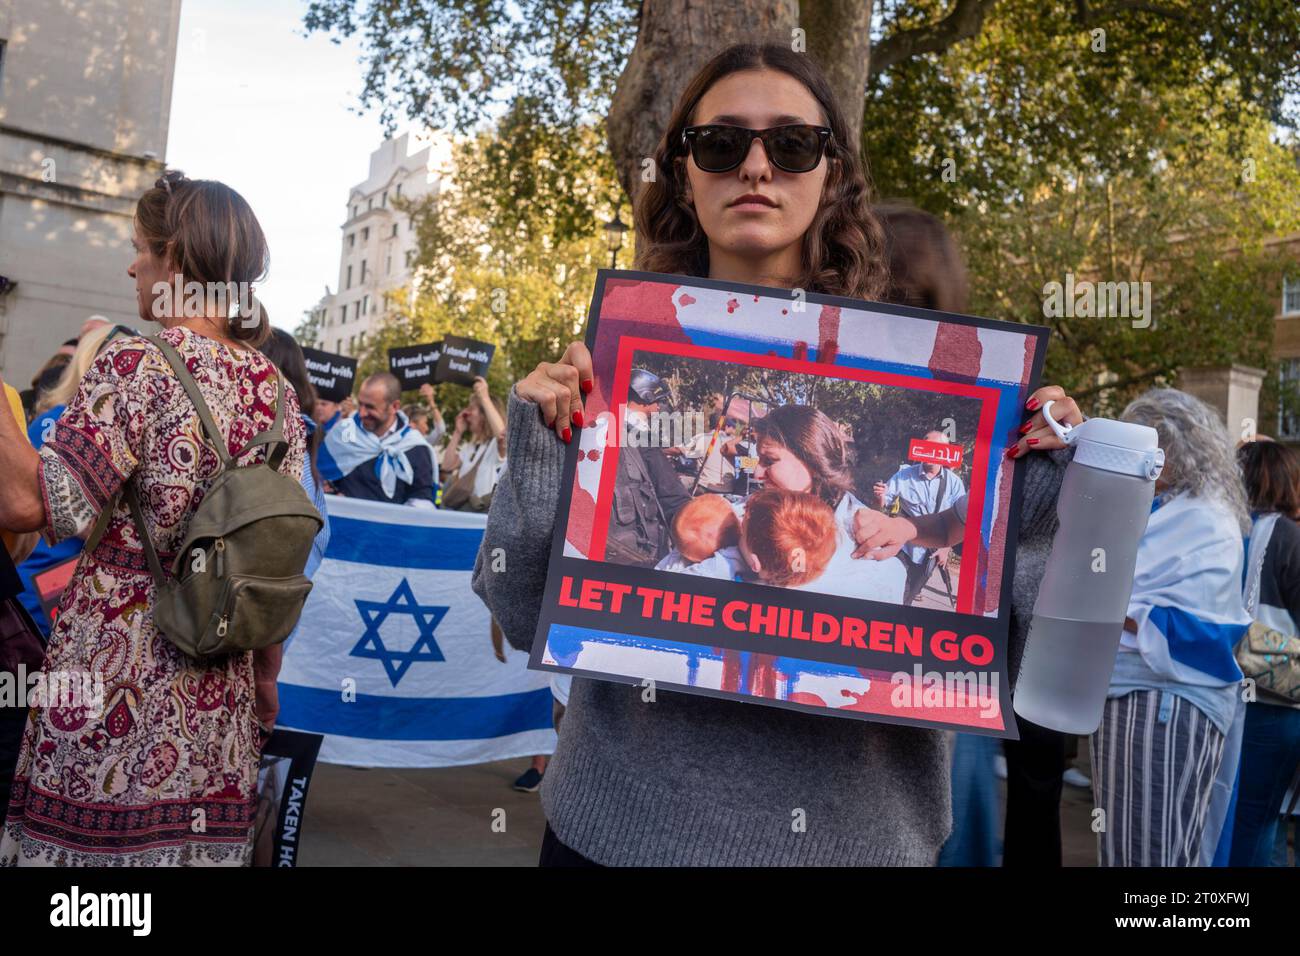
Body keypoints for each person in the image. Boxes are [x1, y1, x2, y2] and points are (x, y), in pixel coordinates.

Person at [472, 42, 1083, 866]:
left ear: (832, 171)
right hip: (616, 833)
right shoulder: (617, 364)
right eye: (720, 144)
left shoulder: (938, 378)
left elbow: (1024, 650)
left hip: (853, 841)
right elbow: (518, 607)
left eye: (792, 145)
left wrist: (1046, 476)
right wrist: (543, 436)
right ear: (682, 170)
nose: (755, 166)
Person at [0, 170, 306, 866]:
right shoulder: (276, 391)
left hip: (116, 678)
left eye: (141, 246)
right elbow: (272, 558)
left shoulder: (137, 364)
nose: (131, 263)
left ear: (174, 258)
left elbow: (34, 506)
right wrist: (264, 683)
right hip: (220, 686)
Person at [1089, 389, 1252, 867]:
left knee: (1146, 853)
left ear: (1169, 450)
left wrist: (1112, 601)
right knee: (1148, 850)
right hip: (1144, 700)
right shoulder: (1178, 509)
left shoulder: (1202, 519)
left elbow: (1204, 631)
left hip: (1159, 703)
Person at [14, 324, 115, 636]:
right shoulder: (69, 421)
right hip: (47, 590)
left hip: (48, 589)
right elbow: (79, 517)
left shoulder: (57, 418)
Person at [1230, 440, 1300, 866]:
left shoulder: (1225, 529)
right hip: (1280, 703)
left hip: (1236, 695)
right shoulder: (1289, 537)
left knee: (1243, 818)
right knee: (1260, 821)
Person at [602, 369, 690, 565]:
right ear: (644, 398)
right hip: (639, 557)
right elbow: (673, 498)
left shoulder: (601, 427)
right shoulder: (641, 436)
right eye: (656, 400)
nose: (659, 406)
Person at [874, 428, 966, 606]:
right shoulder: (904, 475)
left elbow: (960, 521)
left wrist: (947, 548)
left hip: (930, 555)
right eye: (927, 446)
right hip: (903, 548)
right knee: (892, 592)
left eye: (936, 448)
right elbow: (883, 504)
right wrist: (880, 496)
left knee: (909, 596)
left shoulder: (954, 483)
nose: (931, 452)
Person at [319, 372, 435, 508]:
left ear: (394, 407)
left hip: (390, 527)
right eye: (360, 404)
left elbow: (421, 499)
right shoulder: (345, 432)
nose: (361, 413)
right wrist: (331, 491)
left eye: (370, 407)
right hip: (346, 525)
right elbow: (320, 475)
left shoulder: (414, 446)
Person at [440, 376, 507, 512]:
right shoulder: (470, 447)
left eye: (471, 409)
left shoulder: (494, 445)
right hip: (465, 510)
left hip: (482, 511)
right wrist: (458, 432)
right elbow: (447, 466)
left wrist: (484, 397)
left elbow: (502, 435)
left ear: (484, 415)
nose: (467, 413)